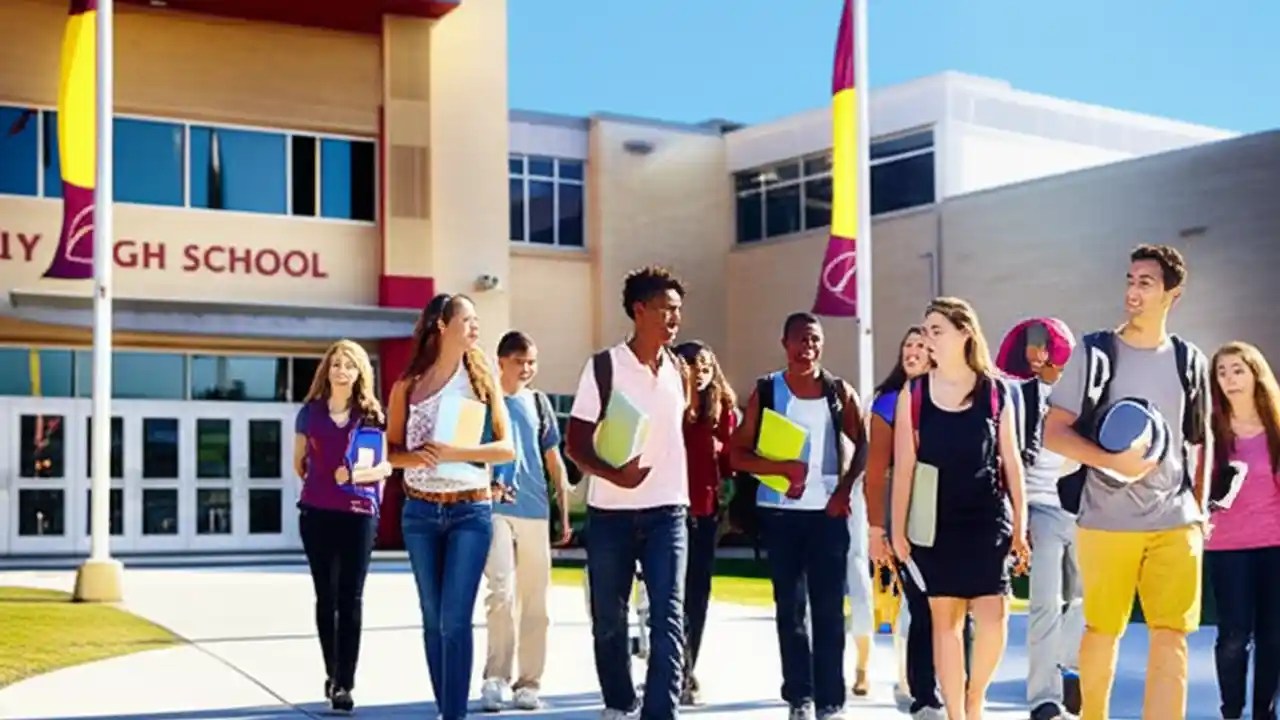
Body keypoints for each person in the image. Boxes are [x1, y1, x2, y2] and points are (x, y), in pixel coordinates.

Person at [1043, 244, 1211, 720]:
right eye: (1130, 280)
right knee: (1101, 630)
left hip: (1176, 522)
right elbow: (1053, 432)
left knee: (1172, 635)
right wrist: (1110, 462)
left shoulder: (1189, 359)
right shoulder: (1095, 352)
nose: (1133, 291)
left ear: (1171, 296)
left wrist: (1199, 510)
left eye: (1146, 283)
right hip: (1106, 519)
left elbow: (1197, 438)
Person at [891, 297, 1029, 720]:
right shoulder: (913, 394)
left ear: (964, 333)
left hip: (987, 519)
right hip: (936, 524)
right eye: (926, 330)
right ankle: (956, 712)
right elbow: (904, 471)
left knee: (994, 618)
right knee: (944, 622)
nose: (928, 339)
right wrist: (897, 533)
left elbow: (1012, 460)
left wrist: (1021, 524)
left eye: (937, 330)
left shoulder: (996, 391)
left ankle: (975, 697)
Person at [564, 266, 691, 720]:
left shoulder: (680, 369)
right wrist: (615, 476)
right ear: (639, 310)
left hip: (669, 512)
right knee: (609, 621)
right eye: (666, 310)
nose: (675, 320)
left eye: (678, 311)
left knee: (668, 617)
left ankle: (661, 712)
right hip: (611, 515)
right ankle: (620, 702)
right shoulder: (604, 367)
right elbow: (574, 444)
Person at [730, 311, 867, 720]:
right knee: (789, 608)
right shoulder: (768, 391)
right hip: (781, 516)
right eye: (800, 340)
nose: (808, 348)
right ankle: (799, 697)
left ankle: (830, 700)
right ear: (785, 343)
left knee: (828, 609)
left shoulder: (838, 392)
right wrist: (780, 470)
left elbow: (866, 445)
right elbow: (737, 454)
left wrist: (844, 490)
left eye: (815, 340)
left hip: (827, 515)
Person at [388, 293, 515, 720]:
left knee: (454, 619)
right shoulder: (407, 385)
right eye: (468, 319)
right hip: (420, 514)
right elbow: (389, 453)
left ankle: (454, 716)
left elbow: (505, 449)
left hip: (470, 512)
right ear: (442, 325)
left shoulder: (482, 381)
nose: (476, 327)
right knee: (432, 619)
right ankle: (448, 709)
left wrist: (454, 452)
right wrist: (418, 456)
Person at [866, 325, 965, 719]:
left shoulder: (954, 398)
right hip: (907, 516)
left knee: (958, 608)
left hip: (954, 515)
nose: (913, 351)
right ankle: (925, 696)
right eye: (908, 344)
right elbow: (875, 474)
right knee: (923, 605)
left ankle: (956, 686)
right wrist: (879, 530)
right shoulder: (888, 403)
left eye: (922, 346)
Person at [293, 339, 393, 714]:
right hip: (317, 513)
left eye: (349, 365)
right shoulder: (310, 413)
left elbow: (385, 467)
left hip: (359, 513)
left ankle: (345, 685)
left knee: (350, 598)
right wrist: (322, 481)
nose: (341, 371)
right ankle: (332, 672)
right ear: (327, 370)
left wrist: (354, 474)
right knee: (327, 596)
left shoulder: (371, 415)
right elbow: (299, 463)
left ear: (359, 373)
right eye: (335, 364)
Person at [995, 317, 1084, 720]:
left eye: (1043, 345)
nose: (1035, 354)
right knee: (1045, 603)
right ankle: (1044, 699)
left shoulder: (1085, 394)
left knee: (1088, 601)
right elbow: (1009, 456)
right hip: (1041, 510)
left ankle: (1071, 665)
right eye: (1030, 346)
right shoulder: (1017, 395)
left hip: (1085, 508)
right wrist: (1020, 516)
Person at [479, 331, 572, 712]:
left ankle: (529, 681)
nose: (527, 369)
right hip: (496, 509)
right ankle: (495, 677)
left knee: (535, 600)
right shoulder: (485, 402)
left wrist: (564, 513)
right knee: (500, 592)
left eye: (532, 361)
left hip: (536, 511)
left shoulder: (539, 403)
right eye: (520, 361)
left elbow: (554, 460)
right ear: (501, 362)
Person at [1205, 341, 1280, 720]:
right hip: (1227, 546)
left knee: (1274, 637)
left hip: (1276, 546)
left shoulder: (1277, 427)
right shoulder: (1210, 429)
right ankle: (1231, 712)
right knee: (1233, 637)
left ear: (1255, 373)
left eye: (1237, 370)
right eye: (1222, 371)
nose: (1229, 379)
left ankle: (1265, 714)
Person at [672, 340, 737, 707]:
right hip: (668, 512)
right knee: (670, 597)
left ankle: (687, 668)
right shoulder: (669, 406)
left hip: (705, 513)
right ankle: (670, 667)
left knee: (696, 597)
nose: (701, 373)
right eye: (693, 366)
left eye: (707, 367)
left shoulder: (723, 409)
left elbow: (730, 461)